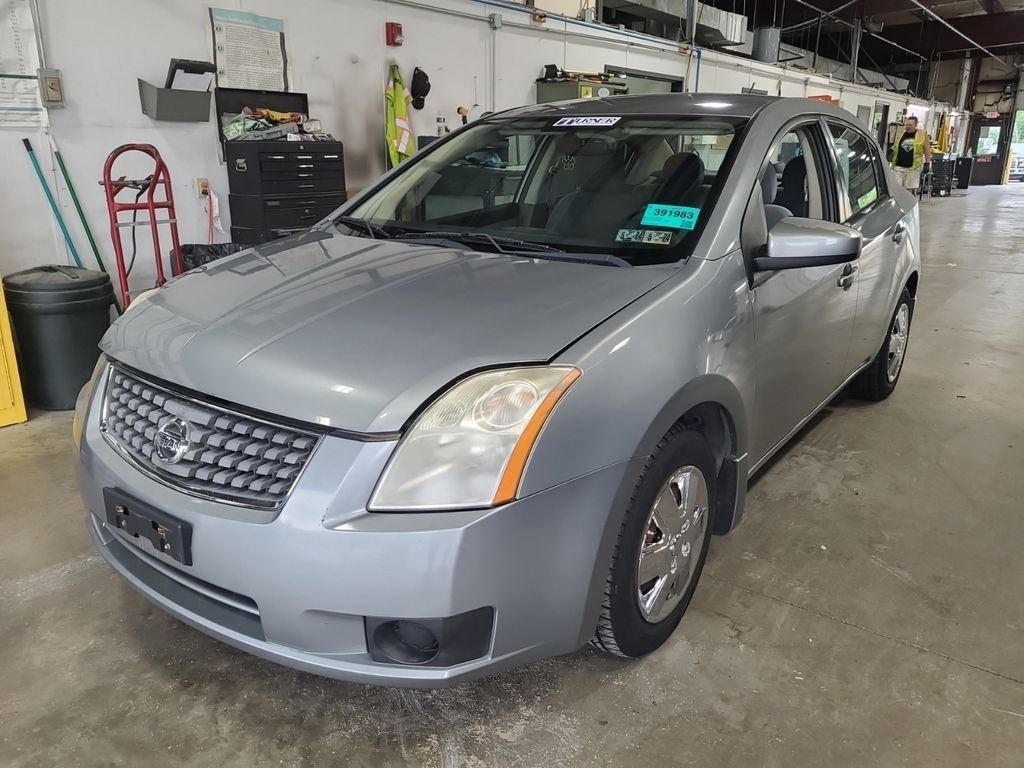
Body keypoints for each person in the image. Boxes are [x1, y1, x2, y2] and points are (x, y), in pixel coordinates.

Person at [890, 115, 932, 192]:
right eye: (907, 124)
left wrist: (927, 163)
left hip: (913, 167)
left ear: (916, 125)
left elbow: (927, 150)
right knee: (896, 188)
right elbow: (895, 147)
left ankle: (907, 203)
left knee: (908, 191)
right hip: (898, 166)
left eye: (910, 125)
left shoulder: (922, 134)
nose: (908, 126)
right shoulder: (901, 133)